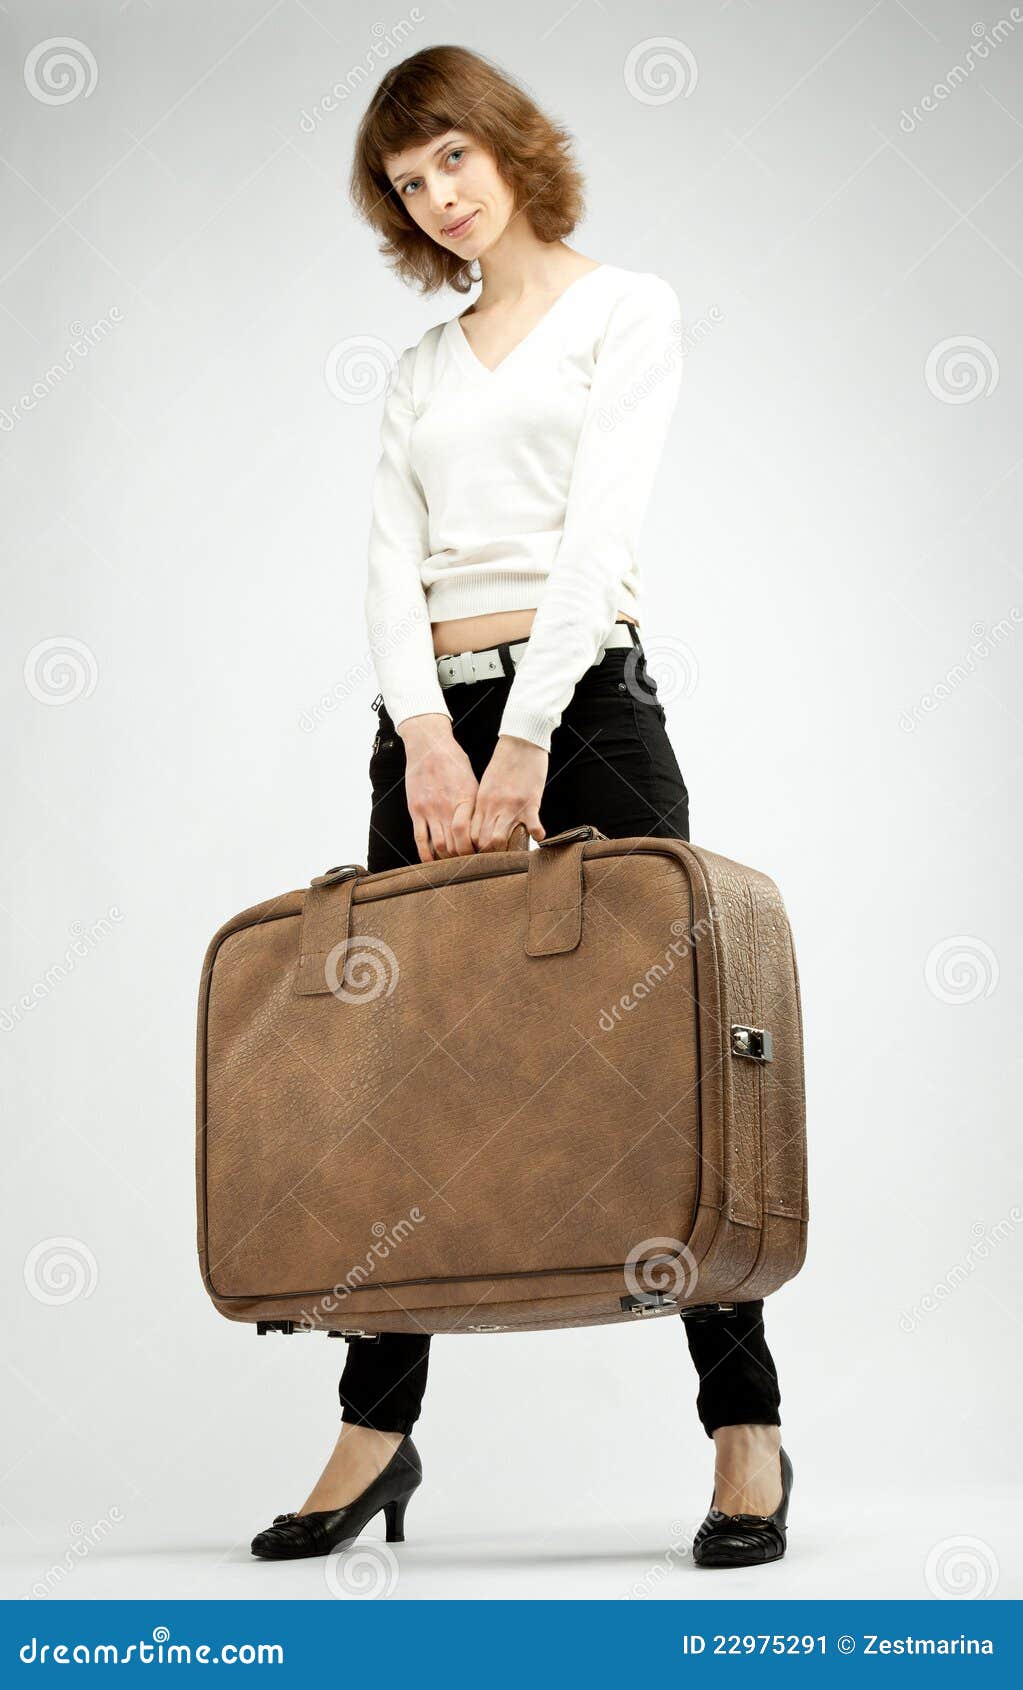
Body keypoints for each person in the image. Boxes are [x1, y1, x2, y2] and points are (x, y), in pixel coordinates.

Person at [251, 45, 791, 1569]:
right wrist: (426, 736)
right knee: (389, 1074)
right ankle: (378, 1429)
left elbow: (594, 534)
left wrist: (525, 743)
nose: (439, 200)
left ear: (505, 144)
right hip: (426, 730)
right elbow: (383, 563)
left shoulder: (631, 311)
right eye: (410, 186)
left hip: (587, 710)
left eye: (451, 162)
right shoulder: (421, 368)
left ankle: (745, 1429)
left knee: (678, 1058)